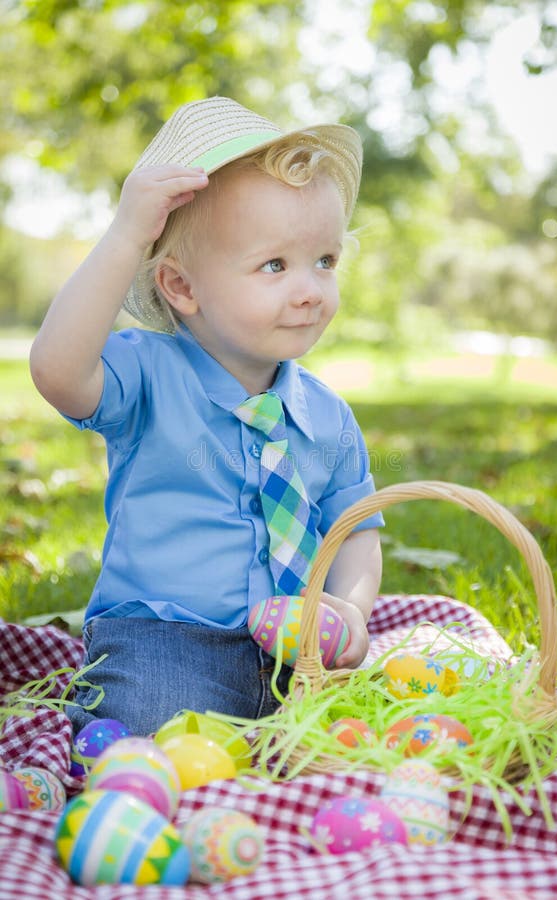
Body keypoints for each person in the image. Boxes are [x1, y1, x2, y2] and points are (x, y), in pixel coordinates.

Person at [29, 96, 383, 736]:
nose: (310, 289)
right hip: (168, 636)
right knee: (149, 722)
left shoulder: (327, 417)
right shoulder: (147, 375)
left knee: (358, 733)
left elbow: (354, 530)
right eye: (274, 265)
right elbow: (57, 371)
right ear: (182, 287)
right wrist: (126, 235)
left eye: (325, 261)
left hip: (294, 654)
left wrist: (351, 613)